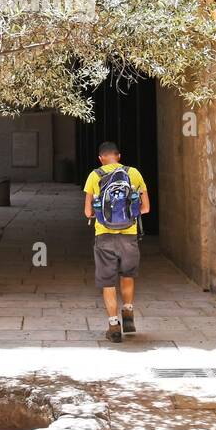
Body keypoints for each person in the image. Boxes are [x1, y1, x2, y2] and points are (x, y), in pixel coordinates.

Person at [83, 141, 150, 343]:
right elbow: (146, 208)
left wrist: (103, 214)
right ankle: (128, 313)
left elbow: (88, 212)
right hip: (129, 234)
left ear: (100, 158)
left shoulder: (95, 175)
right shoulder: (134, 173)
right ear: (118, 156)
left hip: (104, 236)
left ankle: (113, 326)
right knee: (127, 275)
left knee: (108, 282)